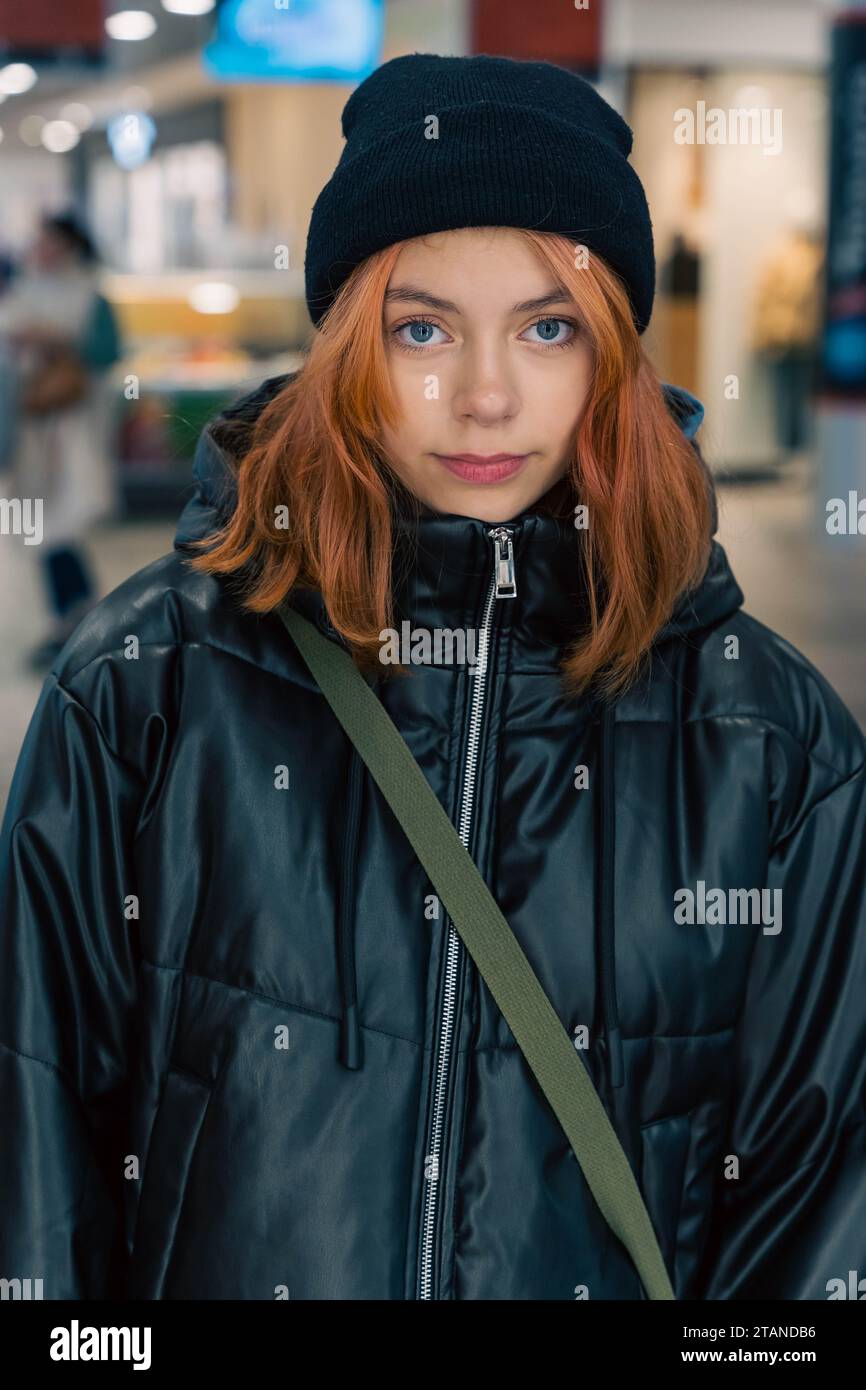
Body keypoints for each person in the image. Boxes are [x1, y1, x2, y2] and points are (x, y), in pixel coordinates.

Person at [0, 53, 864, 1303]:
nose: (483, 395)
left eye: (547, 326)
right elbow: (37, 1141)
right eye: (420, 328)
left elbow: (815, 1204)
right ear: (351, 343)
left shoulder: (768, 741)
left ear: (611, 353)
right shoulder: (147, 684)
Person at [0, 211, 123, 669]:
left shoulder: (90, 298)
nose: (41, 249)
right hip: (31, 435)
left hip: (74, 433)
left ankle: (75, 619)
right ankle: (72, 616)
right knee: (38, 530)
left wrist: (57, 343)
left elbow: (107, 353)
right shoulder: (24, 293)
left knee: (63, 524)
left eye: (50, 241)